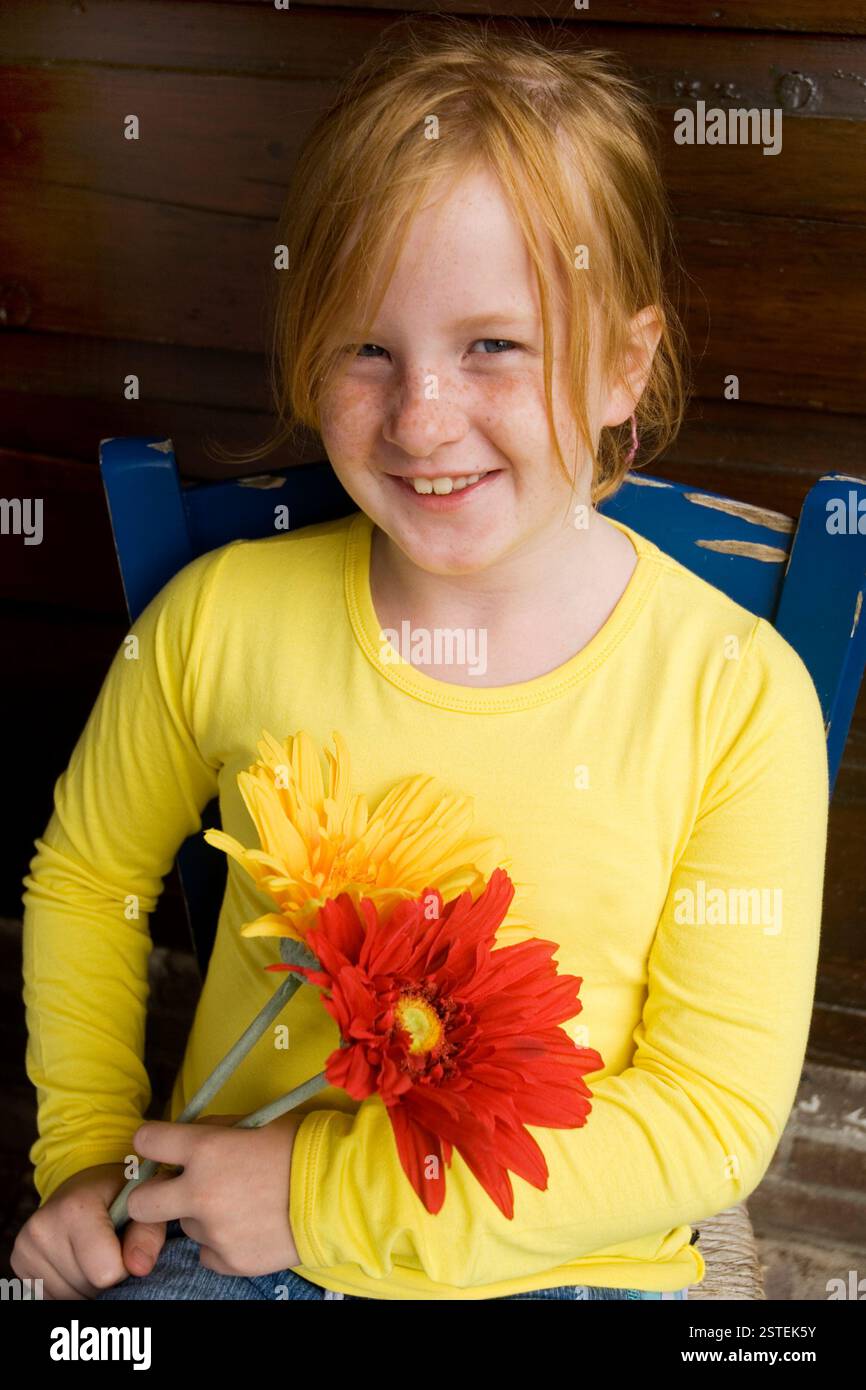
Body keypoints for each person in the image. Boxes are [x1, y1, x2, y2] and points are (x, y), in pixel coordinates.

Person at [13, 16, 828, 1301]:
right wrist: (80, 1155)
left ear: (623, 363)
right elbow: (85, 878)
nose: (420, 417)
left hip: (559, 1263)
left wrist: (317, 1193)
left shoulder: (731, 696)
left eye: (492, 345)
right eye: (366, 347)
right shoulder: (221, 618)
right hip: (214, 1250)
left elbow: (707, 1117)